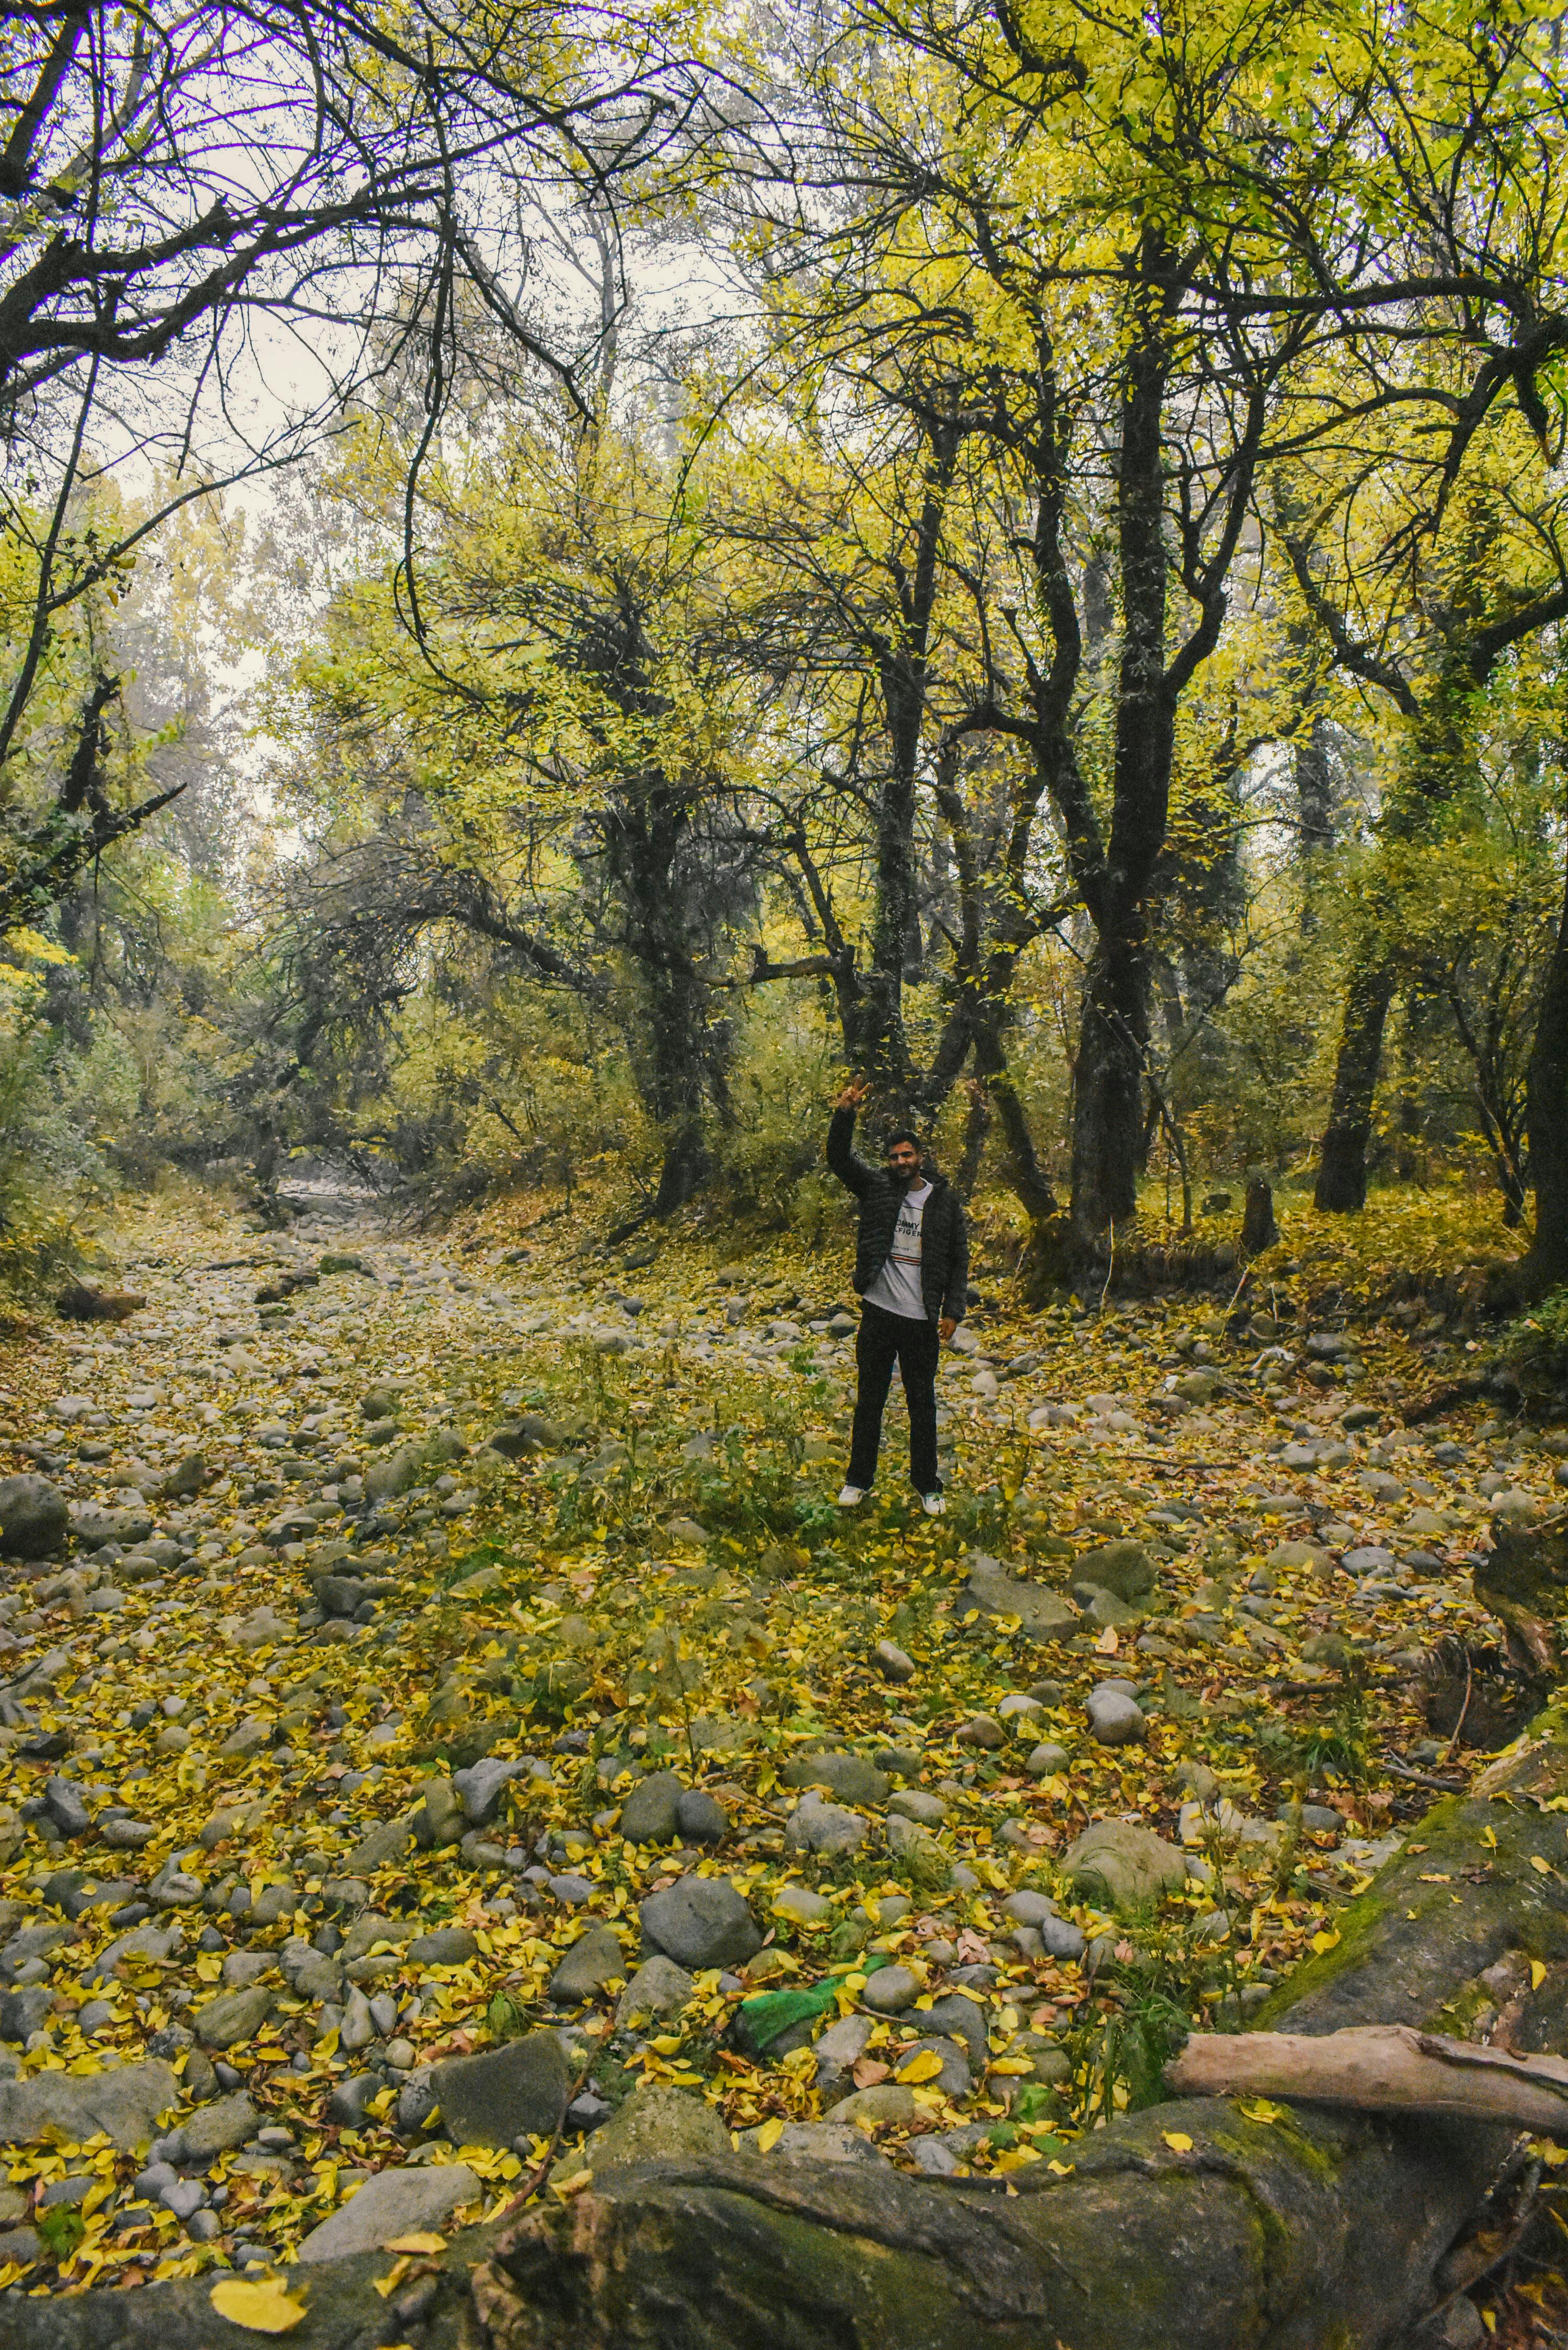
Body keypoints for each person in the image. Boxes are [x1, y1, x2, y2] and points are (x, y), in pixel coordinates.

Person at [825, 1076, 969, 1516]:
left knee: (922, 1405)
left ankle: (928, 1486)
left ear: (921, 1158)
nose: (901, 1161)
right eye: (894, 1156)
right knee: (870, 1400)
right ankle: (858, 1481)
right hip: (880, 1313)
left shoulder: (944, 1202)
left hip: (922, 1320)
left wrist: (953, 1311)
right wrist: (844, 1113)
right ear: (888, 1162)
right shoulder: (876, 1188)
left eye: (908, 1154)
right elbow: (838, 1160)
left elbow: (960, 1258)